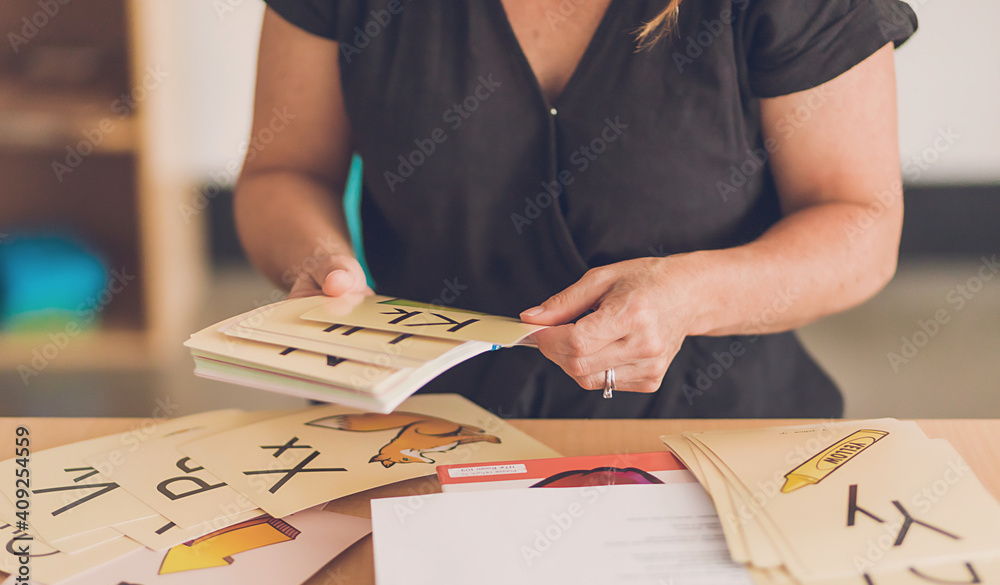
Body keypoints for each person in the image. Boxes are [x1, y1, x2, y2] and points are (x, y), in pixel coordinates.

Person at [235, 0, 917, 419]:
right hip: (416, 432)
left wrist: (691, 297)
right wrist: (317, 261)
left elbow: (861, 222)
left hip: (714, 434)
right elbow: (282, 171)